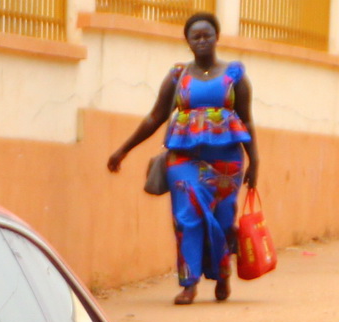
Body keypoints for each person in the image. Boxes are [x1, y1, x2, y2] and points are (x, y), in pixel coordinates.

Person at [106, 11, 259, 304]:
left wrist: (256, 161)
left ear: (217, 37)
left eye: (207, 35)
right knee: (186, 218)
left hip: (227, 161)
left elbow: (248, 120)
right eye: (195, 37)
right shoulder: (178, 75)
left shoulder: (234, 75)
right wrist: (123, 149)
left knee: (224, 219)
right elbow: (155, 116)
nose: (202, 41)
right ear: (187, 41)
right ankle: (189, 283)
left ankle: (222, 273)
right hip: (183, 160)